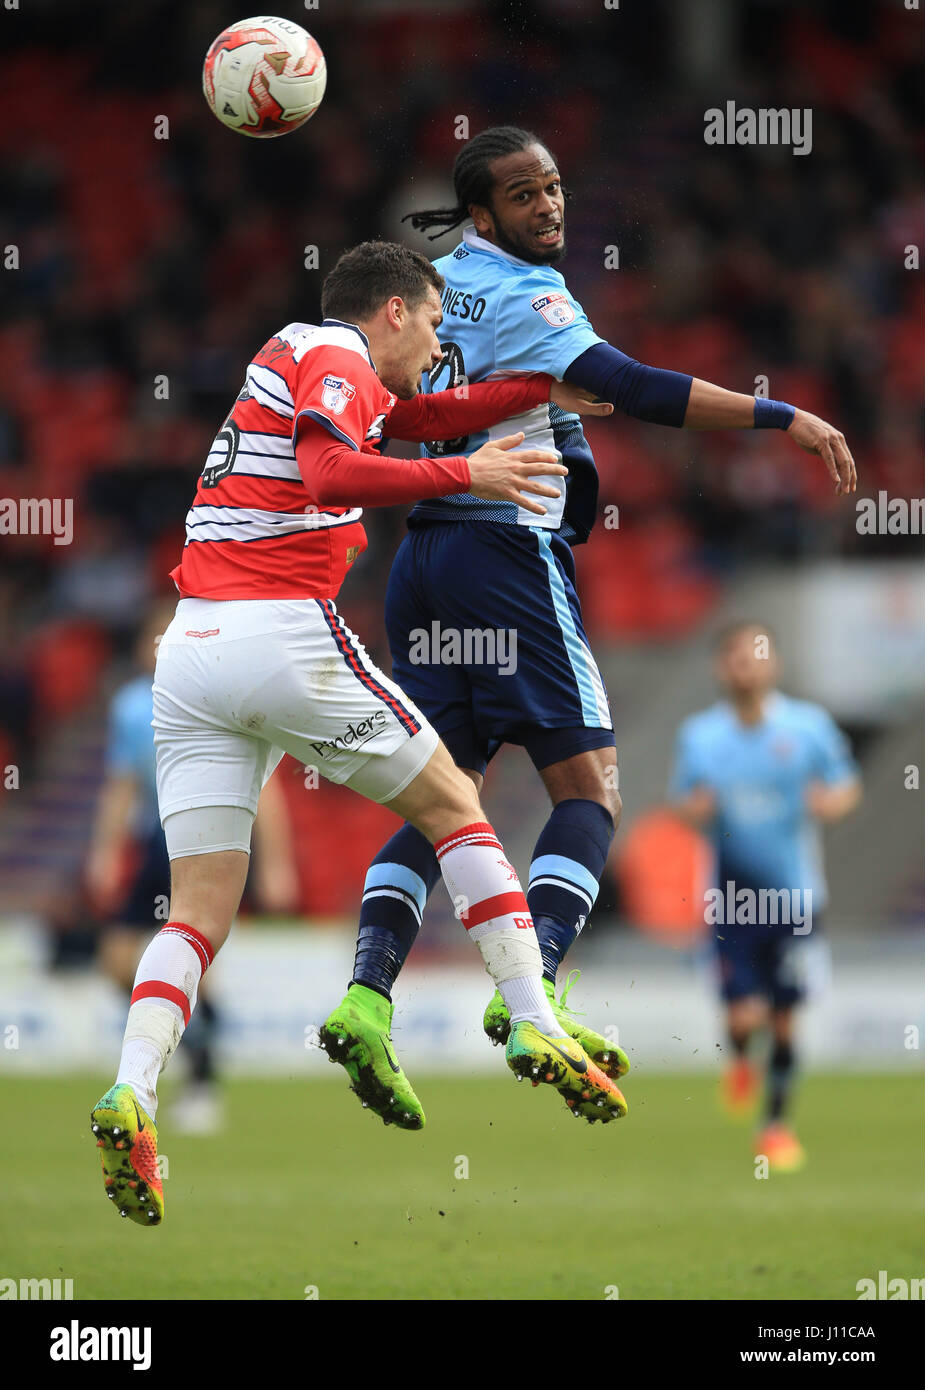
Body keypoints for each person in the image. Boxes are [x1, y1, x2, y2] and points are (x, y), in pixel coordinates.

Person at [322, 126, 857, 1128]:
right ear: (481, 211)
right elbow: (639, 389)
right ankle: (537, 996)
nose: (550, 207)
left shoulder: (436, 283)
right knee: (591, 789)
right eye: (524, 196)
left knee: (445, 798)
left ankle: (365, 992)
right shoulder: (536, 299)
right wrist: (780, 418)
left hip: (421, 557)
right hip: (500, 556)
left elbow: (392, 411)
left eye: (556, 188)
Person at [89, 239, 627, 1227]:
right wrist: (472, 471)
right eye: (429, 321)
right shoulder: (335, 352)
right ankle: (535, 1019)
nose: (435, 342)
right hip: (277, 625)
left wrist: (531, 392)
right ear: (391, 311)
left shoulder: (307, 358)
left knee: (198, 911)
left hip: (190, 649)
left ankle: (134, 1091)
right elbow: (333, 471)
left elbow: (416, 415)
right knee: (453, 804)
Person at [86, 600, 299, 1134]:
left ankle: (200, 1079)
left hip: (209, 839)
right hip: (158, 842)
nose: (158, 648)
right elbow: (123, 785)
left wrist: (278, 864)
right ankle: (180, 1046)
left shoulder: (217, 697)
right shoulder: (132, 706)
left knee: (195, 957)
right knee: (116, 960)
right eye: (151, 638)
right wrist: (106, 850)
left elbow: (265, 788)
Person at [670, 621, 862, 1170]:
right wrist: (696, 811)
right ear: (720, 667)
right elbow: (683, 802)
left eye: (756, 656)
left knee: (782, 1016)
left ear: (774, 664)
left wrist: (833, 803)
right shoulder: (700, 735)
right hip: (730, 900)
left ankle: (776, 1126)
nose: (745, 666)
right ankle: (739, 1060)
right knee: (741, 1019)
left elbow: (846, 783)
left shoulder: (808, 726)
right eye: (734, 657)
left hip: (795, 897)